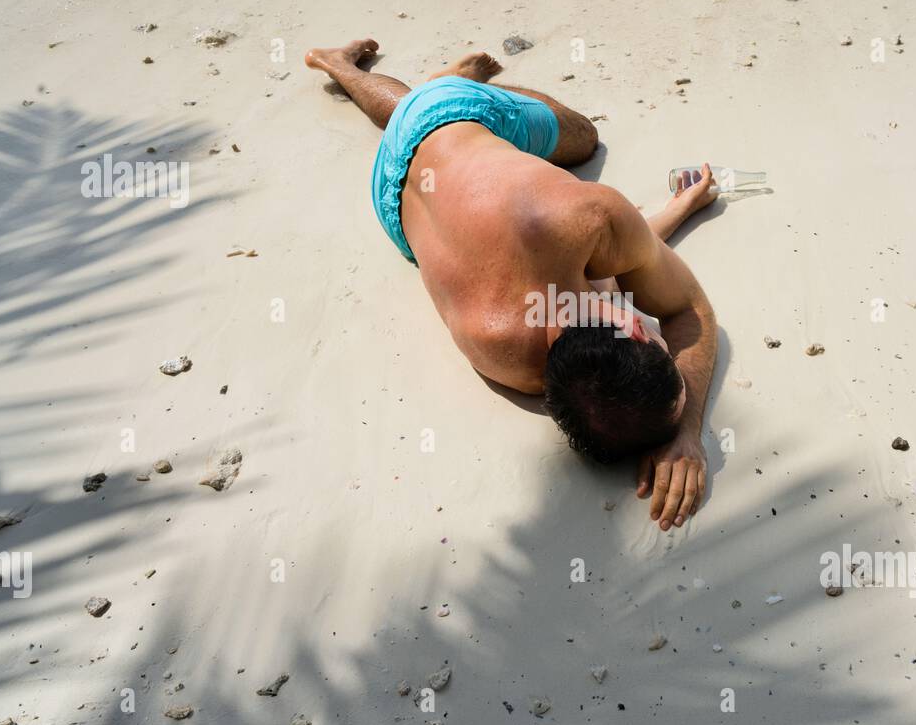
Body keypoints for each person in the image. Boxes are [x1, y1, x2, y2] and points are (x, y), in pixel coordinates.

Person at [305, 39, 719, 531]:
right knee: (581, 136)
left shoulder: (586, 225)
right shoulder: (514, 361)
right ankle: (384, 74)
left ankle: (426, 81)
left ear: (630, 329)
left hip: (440, 136)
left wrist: (683, 430)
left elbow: (649, 293)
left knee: (555, 135)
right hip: (394, 209)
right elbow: (664, 300)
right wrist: (686, 430)